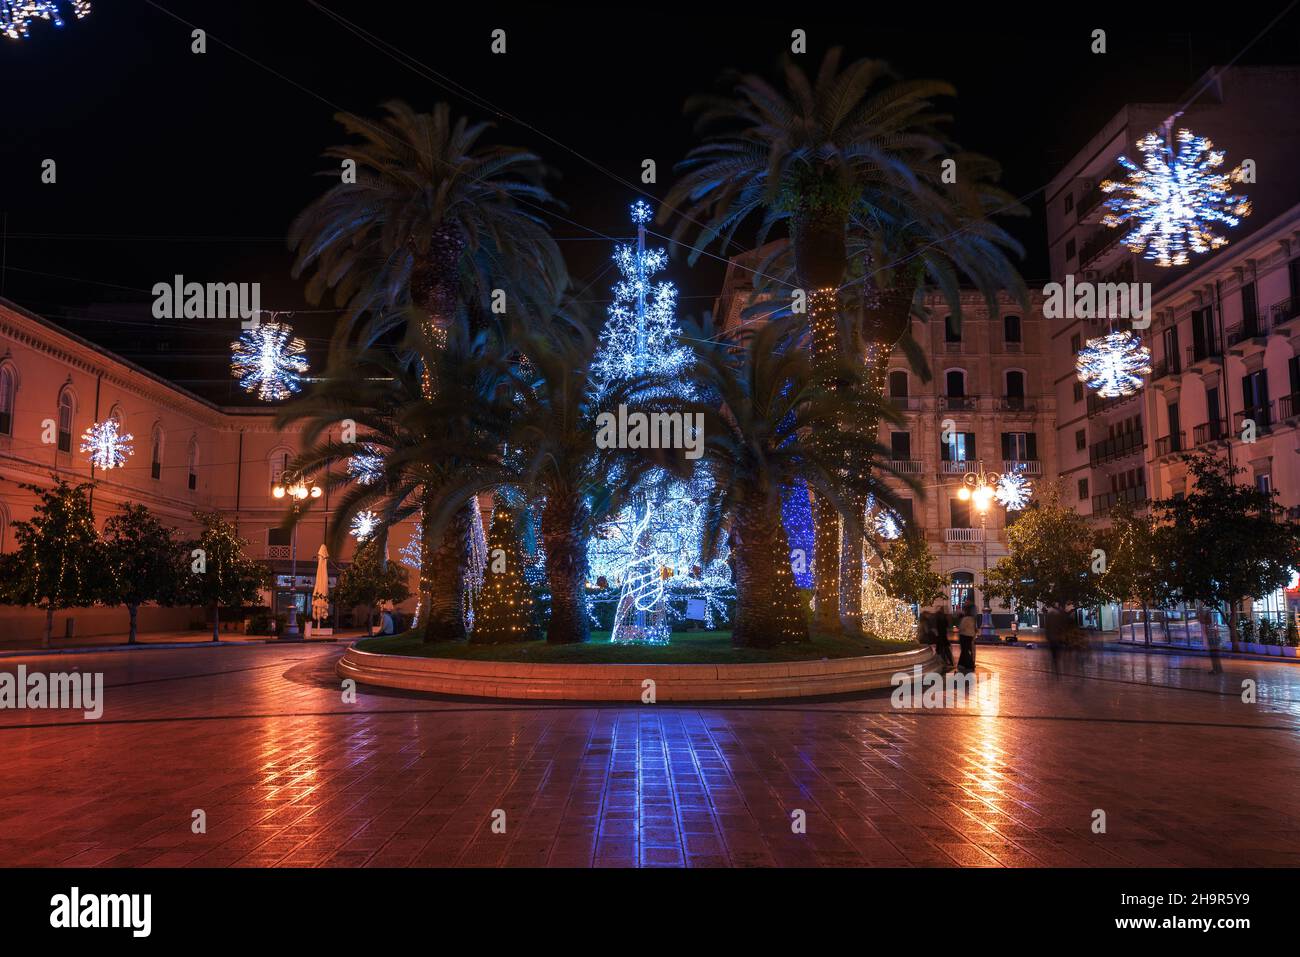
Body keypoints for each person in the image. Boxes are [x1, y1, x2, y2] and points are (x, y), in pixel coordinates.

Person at [1199, 606, 1224, 674]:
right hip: (1214, 641)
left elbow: (1211, 632)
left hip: (1213, 642)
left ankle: (1216, 669)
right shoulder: (1211, 623)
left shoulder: (1209, 624)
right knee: (1215, 656)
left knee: (1214, 656)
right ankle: (1218, 669)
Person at [1043, 604, 1064, 678]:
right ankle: (1057, 671)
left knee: (1054, 656)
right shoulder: (1058, 616)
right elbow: (1061, 628)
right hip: (1057, 638)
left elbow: (1047, 628)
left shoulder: (1049, 616)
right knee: (1057, 655)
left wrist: (1047, 637)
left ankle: (1054, 670)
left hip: (1052, 639)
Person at [957, 604, 978, 672]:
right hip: (968, 636)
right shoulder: (971, 619)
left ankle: (965, 664)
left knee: (965, 651)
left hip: (965, 636)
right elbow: (974, 629)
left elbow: (961, 628)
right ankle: (966, 665)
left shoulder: (967, 618)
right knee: (966, 651)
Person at [933, 603, 954, 670]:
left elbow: (936, 626)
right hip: (943, 636)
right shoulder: (943, 617)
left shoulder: (937, 617)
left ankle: (943, 663)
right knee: (945, 649)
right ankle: (949, 662)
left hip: (940, 636)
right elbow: (947, 626)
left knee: (941, 650)